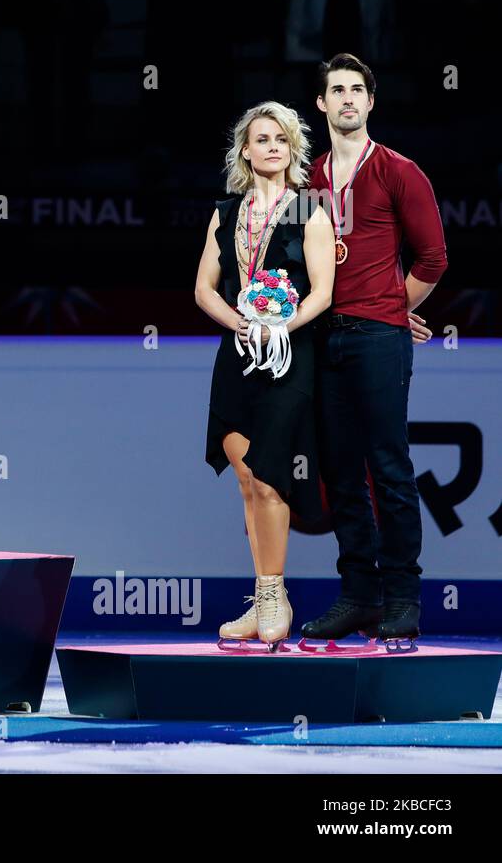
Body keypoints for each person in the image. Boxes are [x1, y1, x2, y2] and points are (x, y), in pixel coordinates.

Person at [300, 53, 447, 650]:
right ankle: (358, 597)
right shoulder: (308, 179)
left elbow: (433, 259)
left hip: (378, 339)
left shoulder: (399, 171)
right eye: (336, 90)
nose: (348, 99)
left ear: (371, 102)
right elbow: (298, 260)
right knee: (340, 471)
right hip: (323, 338)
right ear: (321, 105)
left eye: (357, 90)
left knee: (388, 466)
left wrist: (391, 305)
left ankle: (403, 600)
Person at [196, 102, 335, 650]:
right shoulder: (224, 214)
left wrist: (280, 326)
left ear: (292, 149)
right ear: (245, 151)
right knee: (245, 480)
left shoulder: (311, 209)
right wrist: (243, 324)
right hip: (237, 355)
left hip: (290, 356)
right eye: (261, 138)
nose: (272, 146)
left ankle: (276, 595)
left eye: (281, 138)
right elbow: (205, 288)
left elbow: (323, 291)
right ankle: (261, 599)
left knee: (271, 475)